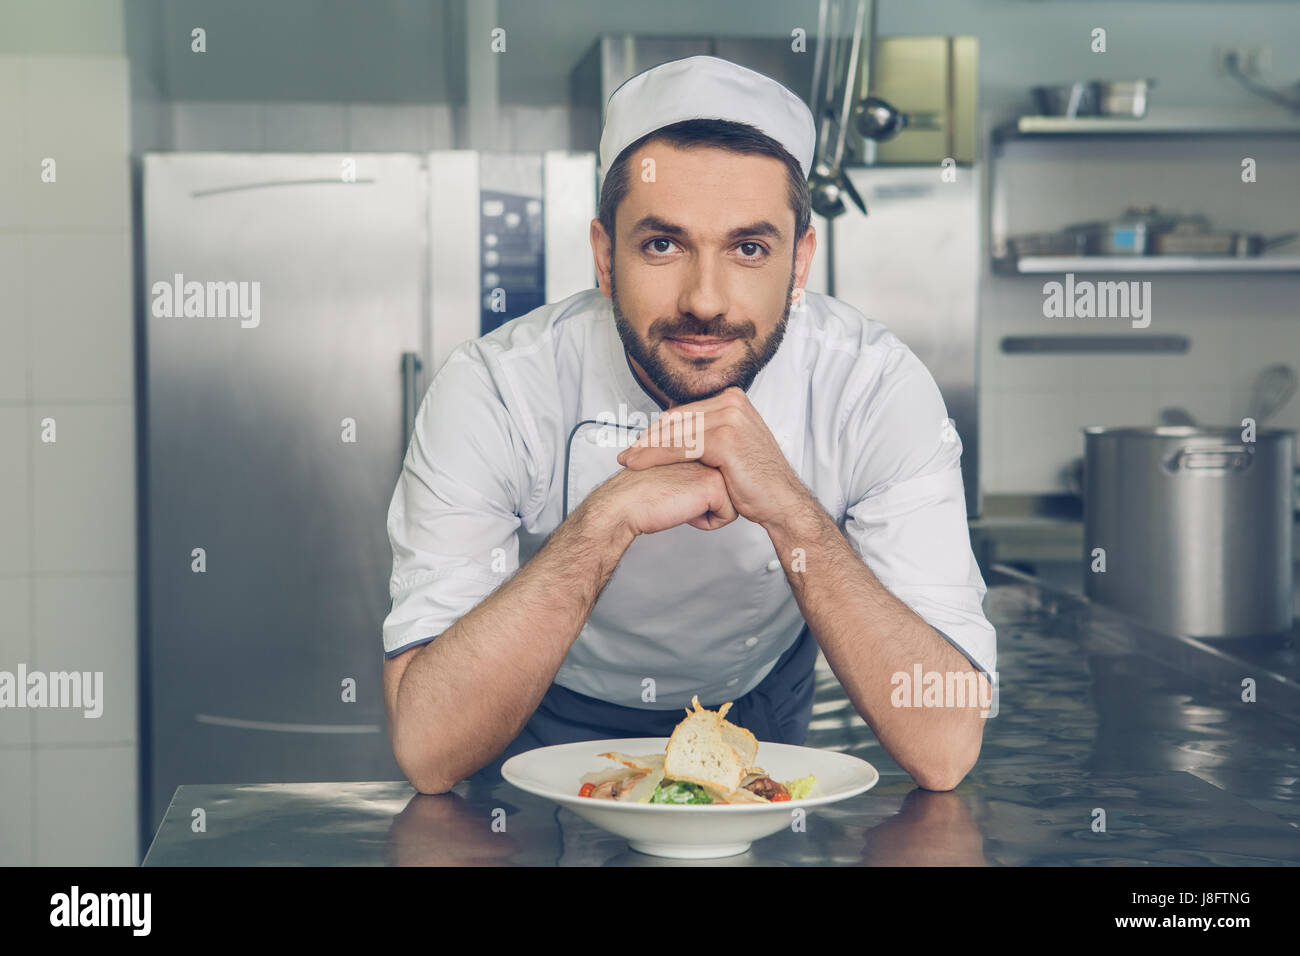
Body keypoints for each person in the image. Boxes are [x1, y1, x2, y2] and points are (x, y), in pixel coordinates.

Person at [381, 55, 995, 794]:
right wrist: (605, 519)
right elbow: (427, 747)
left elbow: (947, 743)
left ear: (800, 263)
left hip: (759, 703)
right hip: (535, 701)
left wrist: (793, 514)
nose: (706, 300)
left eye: (748, 249)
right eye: (663, 245)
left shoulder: (873, 387)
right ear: (605, 257)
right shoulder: (498, 387)